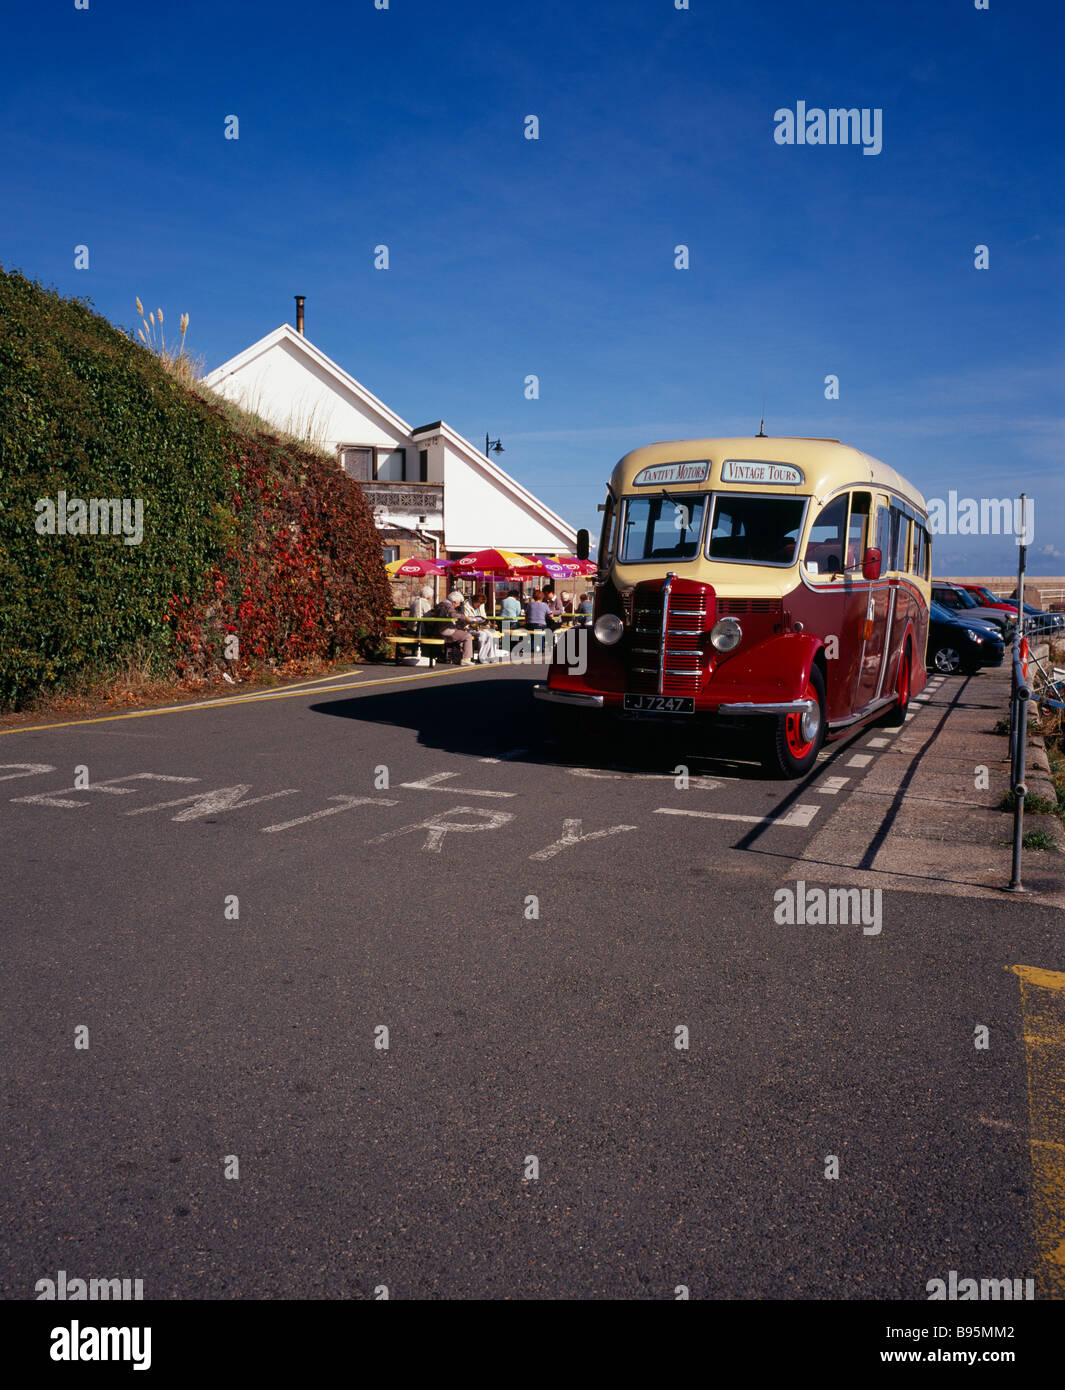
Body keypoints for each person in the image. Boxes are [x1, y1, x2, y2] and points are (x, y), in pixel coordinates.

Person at [437, 589, 474, 665]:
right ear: (453, 602)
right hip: (446, 630)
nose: (458, 605)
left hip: (439, 629)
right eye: (458, 603)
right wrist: (465, 618)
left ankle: (458, 656)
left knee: (461, 633)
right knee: (467, 636)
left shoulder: (441, 603)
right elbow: (453, 614)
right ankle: (466, 658)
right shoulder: (448, 605)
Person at [526, 588, 550, 659]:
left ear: (533, 596)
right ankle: (541, 648)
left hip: (530, 623)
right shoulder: (544, 605)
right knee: (541, 634)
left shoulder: (530, 604)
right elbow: (550, 615)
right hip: (541, 623)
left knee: (532, 634)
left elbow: (526, 614)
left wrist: (526, 621)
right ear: (542, 597)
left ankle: (532, 647)